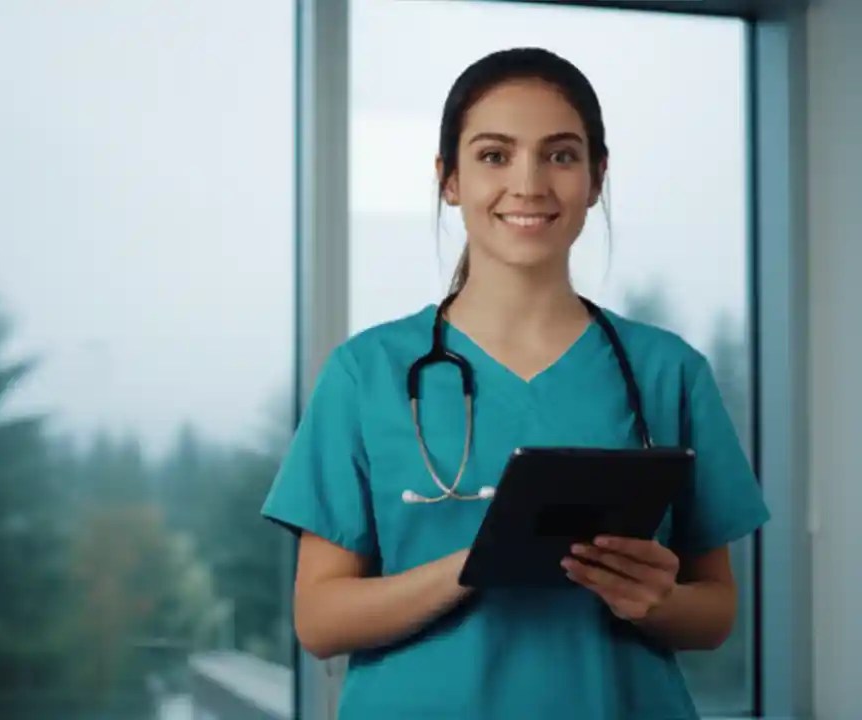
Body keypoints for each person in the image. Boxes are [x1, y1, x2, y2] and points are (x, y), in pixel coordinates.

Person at [260, 46, 770, 719]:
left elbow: (715, 613)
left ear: (596, 178)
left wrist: (660, 600)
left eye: (560, 155)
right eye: (494, 155)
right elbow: (320, 619)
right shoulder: (367, 373)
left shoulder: (668, 371)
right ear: (449, 179)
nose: (528, 184)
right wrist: (479, 562)